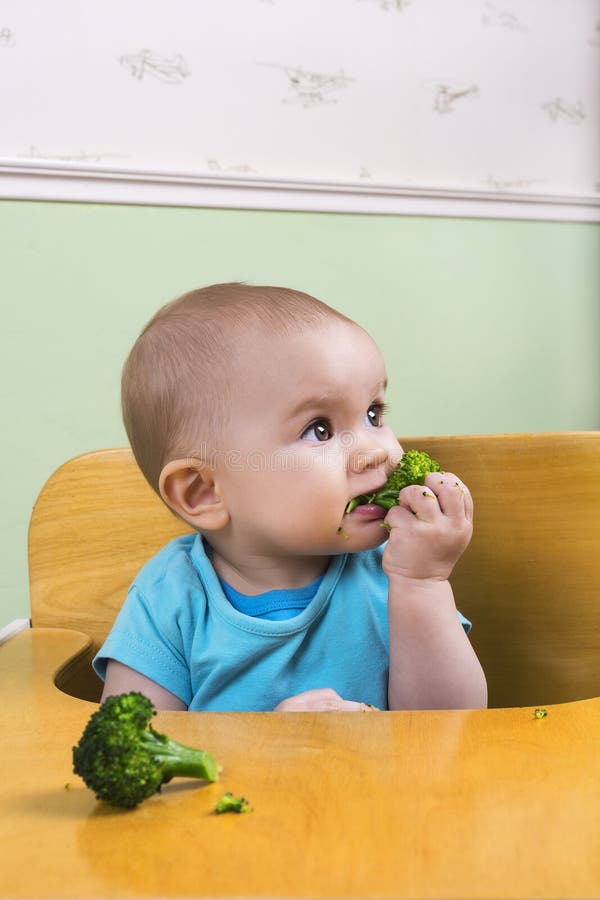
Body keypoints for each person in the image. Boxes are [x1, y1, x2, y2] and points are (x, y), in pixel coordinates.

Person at [94, 282, 487, 712]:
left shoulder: (397, 569)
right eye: (319, 429)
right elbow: (139, 755)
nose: (376, 450)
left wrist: (423, 584)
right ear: (203, 491)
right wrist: (268, 749)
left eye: (374, 413)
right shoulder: (170, 597)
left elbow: (451, 730)